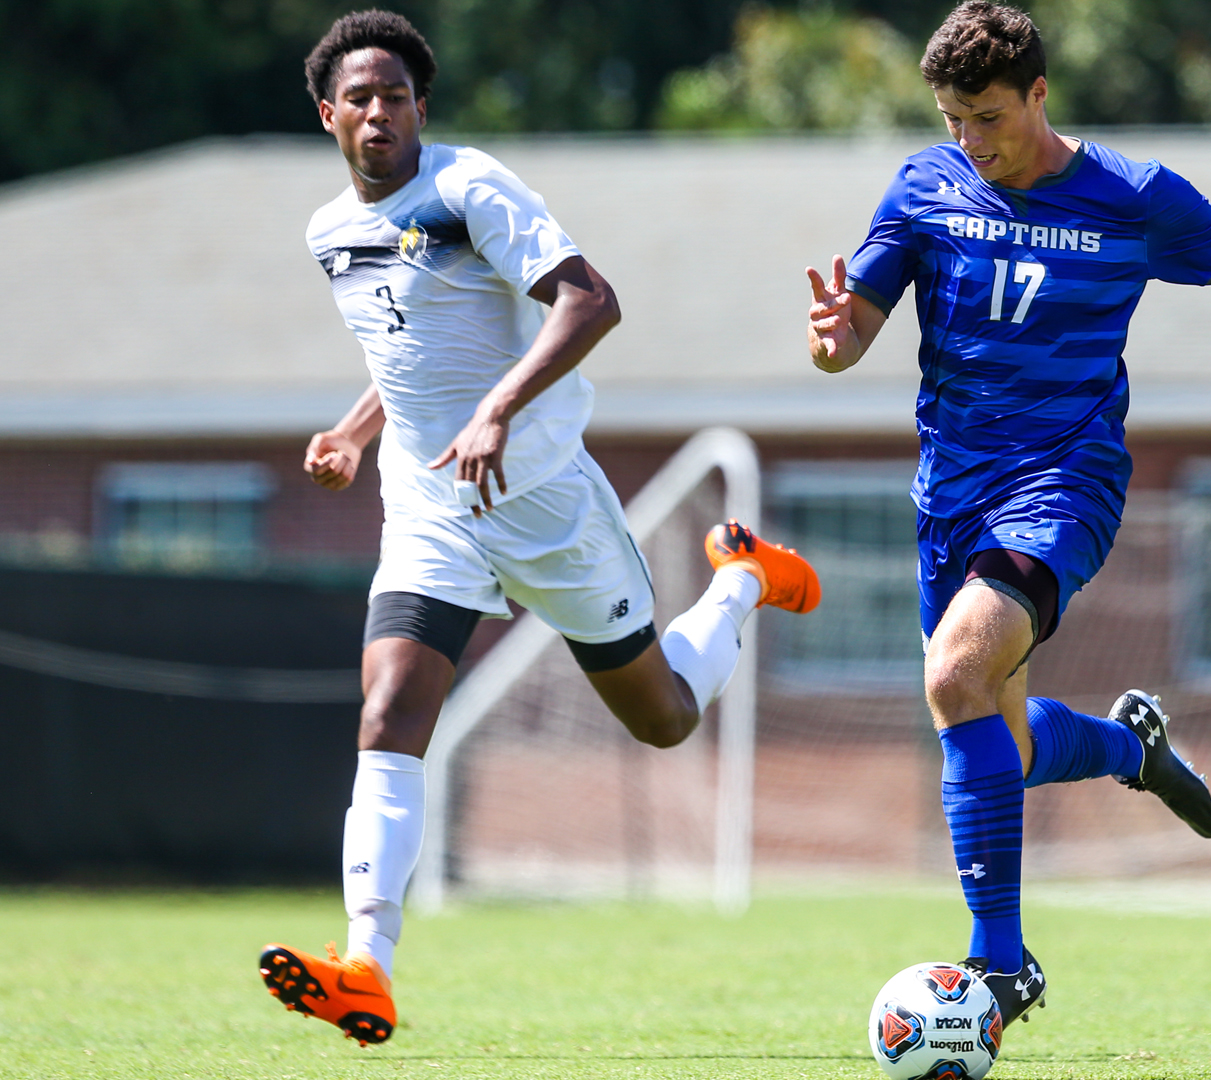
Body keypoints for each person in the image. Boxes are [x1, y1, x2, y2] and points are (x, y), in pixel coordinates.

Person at [256, 11, 819, 1046]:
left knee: (661, 718)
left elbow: (591, 300)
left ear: (421, 107)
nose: (378, 112)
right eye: (359, 97)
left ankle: (741, 579)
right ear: (327, 113)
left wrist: (500, 410)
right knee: (388, 713)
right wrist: (351, 429)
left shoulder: (473, 190)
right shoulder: (327, 233)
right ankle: (366, 967)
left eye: (396, 95)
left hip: (545, 499)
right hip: (431, 507)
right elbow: (412, 351)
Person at [803, 0, 1211, 1027]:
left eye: (988, 117)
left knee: (957, 673)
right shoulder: (928, 186)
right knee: (993, 736)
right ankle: (1130, 749)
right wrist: (837, 337)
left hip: (1066, 480)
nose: (970, 140)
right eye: (952, 119)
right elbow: (855, 330)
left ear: (1038, 95)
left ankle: (1000, 967)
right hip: (951, 499)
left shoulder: (1133, 197)